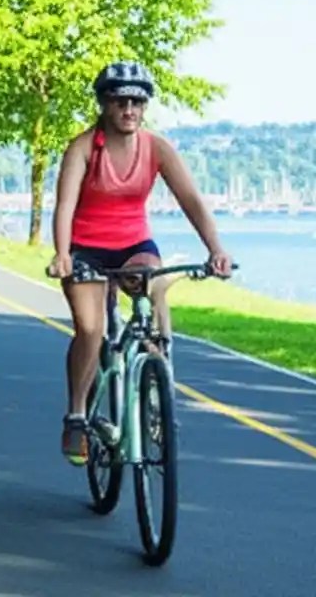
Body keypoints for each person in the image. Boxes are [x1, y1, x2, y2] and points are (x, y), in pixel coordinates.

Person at [46, 60, 233, 466]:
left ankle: (158, 377)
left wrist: (216, 249)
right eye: (120, 102)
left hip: (133, 245)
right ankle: (77, 414)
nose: (129, 109)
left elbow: (192, 201)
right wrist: (62, 255)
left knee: (155, 284)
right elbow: (64, 206)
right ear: (104, 104)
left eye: (137, 102)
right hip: (86, 249)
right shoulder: (81, 148)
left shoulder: (157, 148)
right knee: (91, 329)